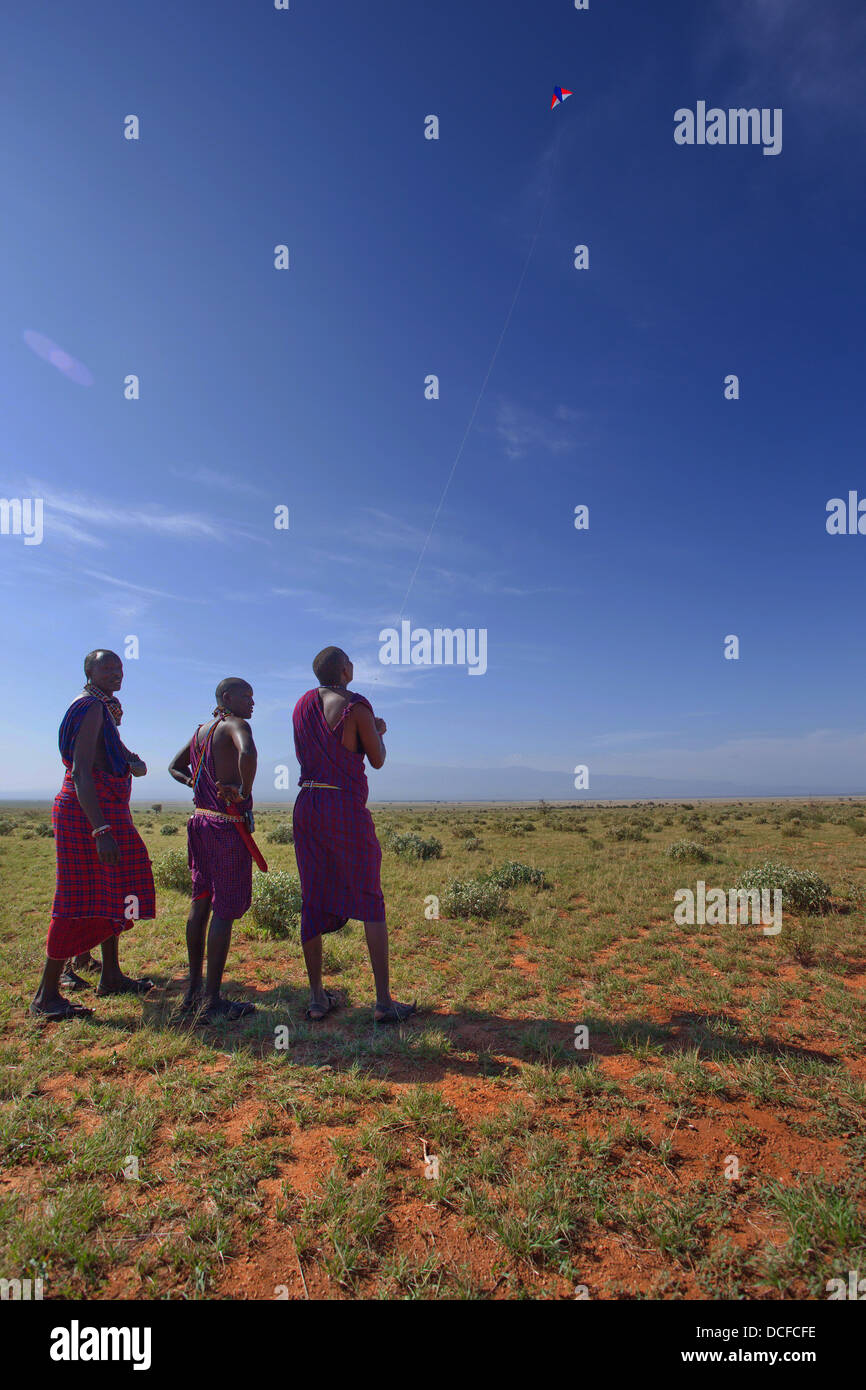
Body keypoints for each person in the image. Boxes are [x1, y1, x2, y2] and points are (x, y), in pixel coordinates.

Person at [292, 646, 416, 1024]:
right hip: (343, 805)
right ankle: (383, 1002)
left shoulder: (301, 705)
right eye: (349, 662)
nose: (353, 666)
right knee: (370, 897)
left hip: (307, 804)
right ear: (343, 670)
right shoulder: (357, 707)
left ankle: (316, 998)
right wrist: (377, 731)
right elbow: (376, 759)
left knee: (312, 896)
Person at [30, 650, 155, 1020]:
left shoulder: (103, 711)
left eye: (120, 668)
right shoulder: (89, 708)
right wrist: (100, 830)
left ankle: (111, 976)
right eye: (107, 668)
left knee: (113, 890)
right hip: (88, 813)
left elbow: (121, 758)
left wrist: (131, 763)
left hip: (100, 809)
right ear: (89, 672)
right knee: (74, 898)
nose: (117, 673)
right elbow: (82, 772)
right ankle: (46, 995)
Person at [168, 678, 258, 1023]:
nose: (252, 702)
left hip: (199, 823)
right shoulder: (236, 725)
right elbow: (248, 752)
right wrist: (243, 790)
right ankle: (212, 999)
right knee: (224, 907)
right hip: (224, 825)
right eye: (246, 696)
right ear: (226, 698)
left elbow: (176, 767)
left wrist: (194, 783)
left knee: (201, 900)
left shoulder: (201, 732)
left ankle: (192, 991)